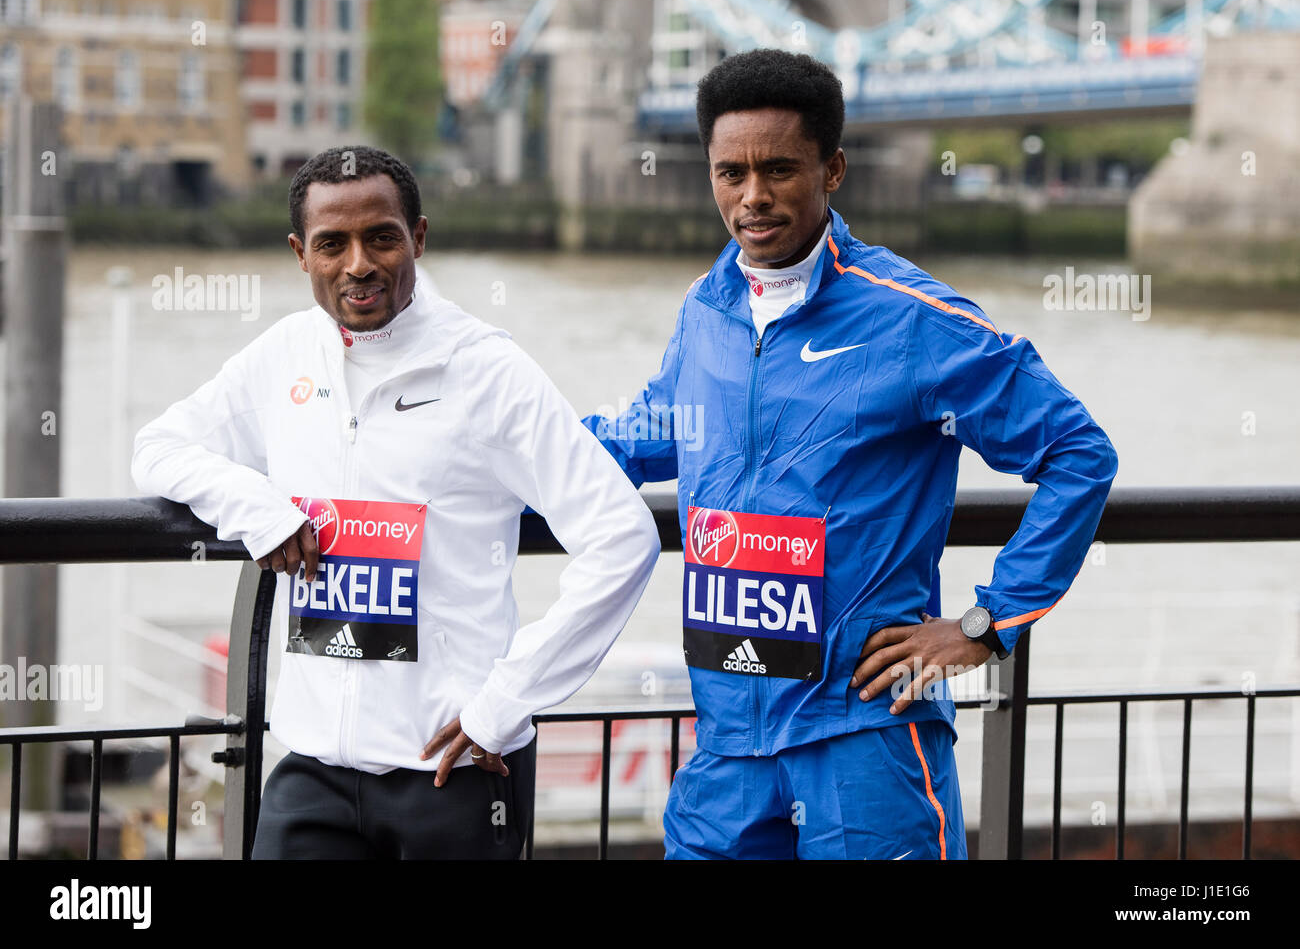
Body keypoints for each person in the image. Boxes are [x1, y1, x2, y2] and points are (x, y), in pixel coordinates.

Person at [583, 49, 1119, 860]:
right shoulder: (707, 307)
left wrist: (986, 623)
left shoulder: (912, 318)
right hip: (729, 736)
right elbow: (647, 434)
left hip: (863, 734)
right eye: (730, 173)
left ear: (832, 170)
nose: (752, 197)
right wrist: (472, 463)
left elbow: (1079, 452)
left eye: (779, 170)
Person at [131, 146, 660, 859]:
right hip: (313, 767)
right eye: (332, 244)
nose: (359, 264)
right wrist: (253, 505)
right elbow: (158, 448)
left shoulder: (486, 371)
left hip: (452, 768)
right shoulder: (284, 354)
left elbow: (623, 537)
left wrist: (506, 704)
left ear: (418, 236)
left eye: (381, 236)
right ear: (299, 253)